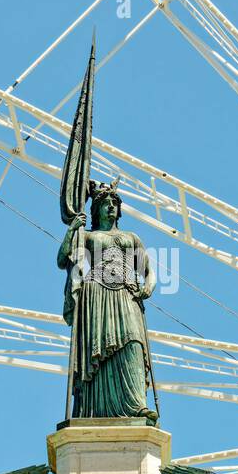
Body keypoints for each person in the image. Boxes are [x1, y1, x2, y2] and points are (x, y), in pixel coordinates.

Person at [57, 180, 158, 422]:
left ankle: (136, 405)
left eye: (114, 202)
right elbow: (63, 260)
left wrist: (149, 287)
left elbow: (148, 270)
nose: (111, 206)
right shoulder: (89, 237)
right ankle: (91, 409)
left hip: (126, 293)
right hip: (96, 296)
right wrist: (72, 229)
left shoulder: (131, 237)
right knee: (97, 348)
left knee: (133, 343)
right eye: (105, 202)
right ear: (96, 209)